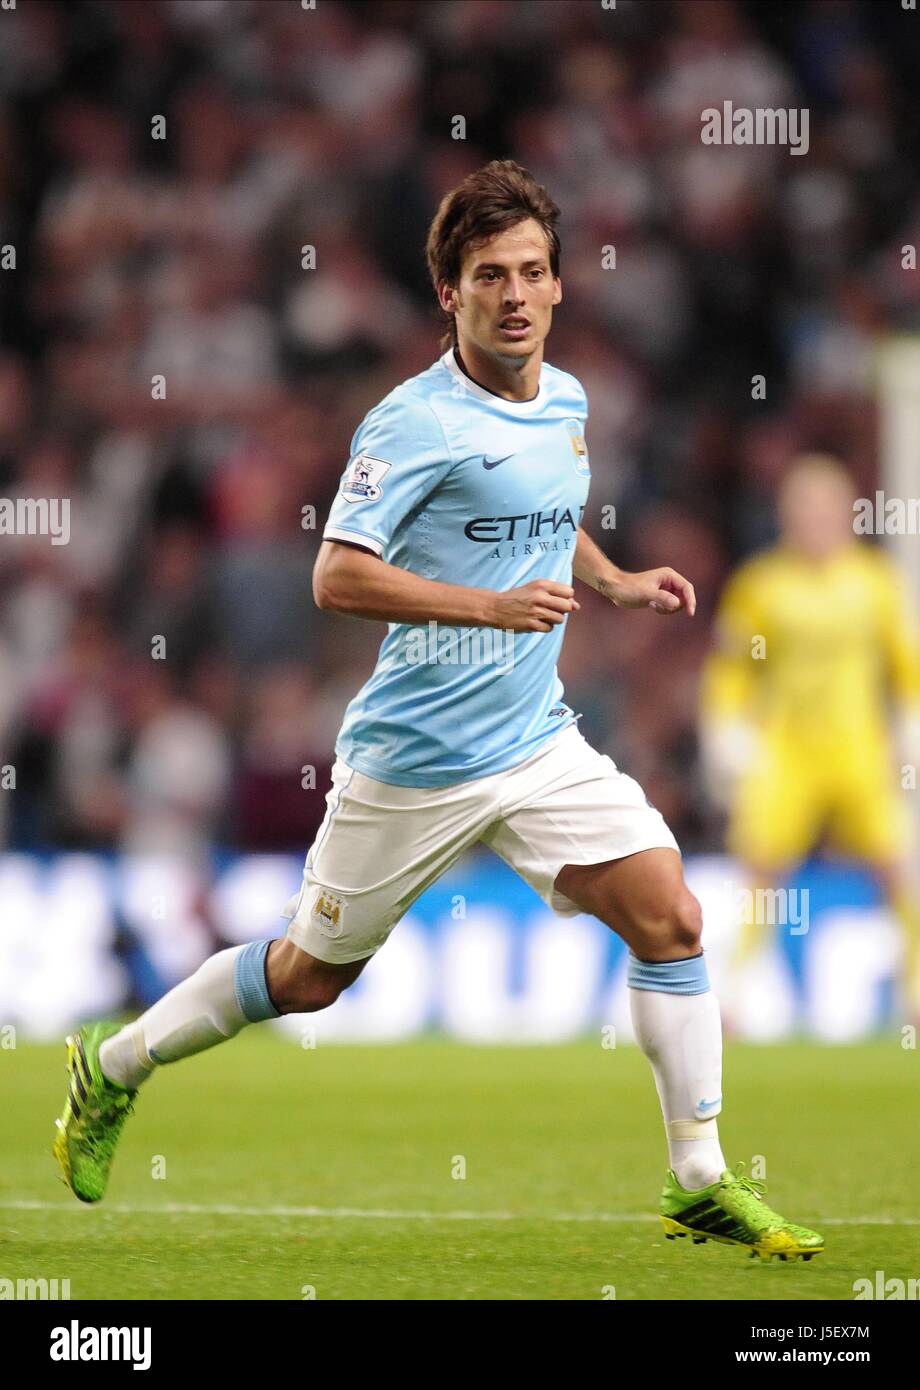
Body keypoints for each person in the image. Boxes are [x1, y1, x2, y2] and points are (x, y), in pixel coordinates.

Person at [55, 160, 822, 1262]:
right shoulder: (411, 421)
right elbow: (335, 574)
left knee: (673, 918)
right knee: (308, 977)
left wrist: (610, 580)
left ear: (558, 284)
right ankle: (113, 1065)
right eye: (489, 276)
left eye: (532, 272)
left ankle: (697, 1177)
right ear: (448, 293)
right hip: (413, 758)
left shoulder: (567, 399)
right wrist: (489, 606)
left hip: (536, 740)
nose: (514, 295)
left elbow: (542, 510)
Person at [701, 453, 920, 1019]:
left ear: (847, 513)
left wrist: (911, 721)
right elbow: (731, 667)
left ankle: (916, 985)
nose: (816, 519)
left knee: (896, 863)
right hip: (785, 752)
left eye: (826, 507)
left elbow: (906, 663)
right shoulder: (761, 585)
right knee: (761, 867)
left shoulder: (874, 582)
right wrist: (725, 728)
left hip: (859, 748)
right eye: (805, 508)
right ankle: (736, 989)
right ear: (786, 515)